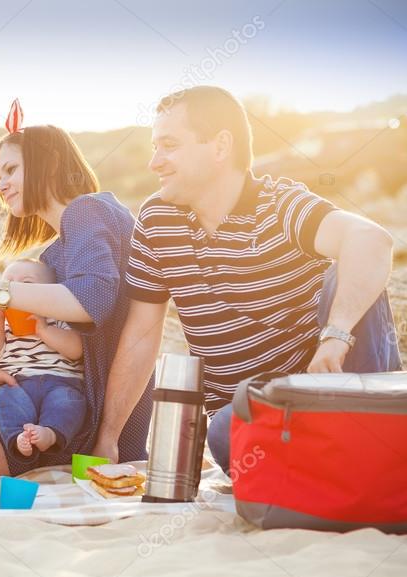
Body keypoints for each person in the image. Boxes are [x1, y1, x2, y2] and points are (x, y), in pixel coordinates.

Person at [90, 86, 401, 472]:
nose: (155, 162)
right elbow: (141, 336)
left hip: (334, 390)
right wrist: (109, 436)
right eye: (155, 147)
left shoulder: (279, 204)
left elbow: (372, 240)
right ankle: (339, 467)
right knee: (224, 431)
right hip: (255, 418)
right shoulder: (157, 219)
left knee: (349, 271)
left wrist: (335, 338)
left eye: (169, 145)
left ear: (220, 146)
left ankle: (376, 445)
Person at [0, 112, 153, 479]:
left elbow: (91, 300)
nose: (1, 186)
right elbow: (31, 336)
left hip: (76, 410)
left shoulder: (90, 209)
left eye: (10, 170)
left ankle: (2, 454)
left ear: (47, 165)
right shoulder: (53, 254)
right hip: (28, 389)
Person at [0, 258, 86, 460]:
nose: (16, 290)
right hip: (18, 384)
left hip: (61, 382)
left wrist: (44, 330)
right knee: (6, 400)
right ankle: (19, 438)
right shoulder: (4, 325)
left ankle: (50, 433)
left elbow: (75, 350)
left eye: (27, 284)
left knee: (68, 402)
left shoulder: (59, 317)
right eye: (9, 284)